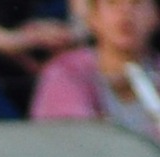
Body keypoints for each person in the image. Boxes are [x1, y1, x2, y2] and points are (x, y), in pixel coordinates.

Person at [30, 0, 160, 142]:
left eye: (136, 3)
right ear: (93, 17)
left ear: (155, 16)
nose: (125, 11)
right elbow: (70, 141)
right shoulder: (65, 73)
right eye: (112, 3)